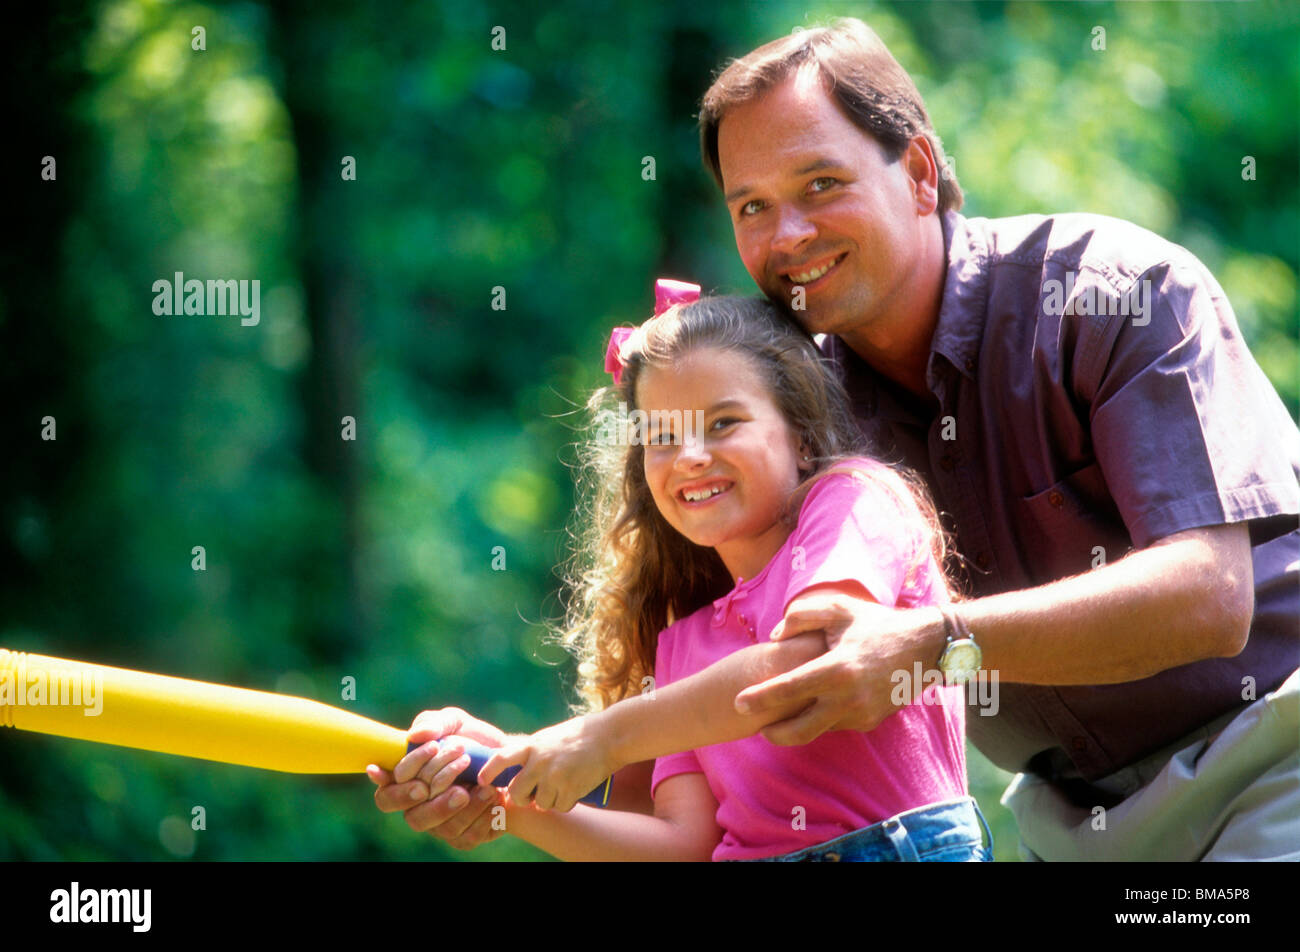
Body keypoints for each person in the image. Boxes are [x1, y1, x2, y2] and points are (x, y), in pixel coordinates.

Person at [698, 19, 1299, 861]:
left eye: (820, 183)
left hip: (1276, 749)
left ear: (917, 172)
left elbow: (1211, 598)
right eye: (752, 205)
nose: (786, 235)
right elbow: (699, 642)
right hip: (1069, 822)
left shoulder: (1114, 293)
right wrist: (518, 772)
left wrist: (935, 643)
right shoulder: (794, 412)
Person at [371, 285, 991, 861]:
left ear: (803, 434)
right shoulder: (683, 645)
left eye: (723, 423)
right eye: (663, 435)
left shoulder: (856, 501)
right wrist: (502, 786)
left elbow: (811, 664)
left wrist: (600, 738)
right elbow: (680, 847)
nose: (690, 457)